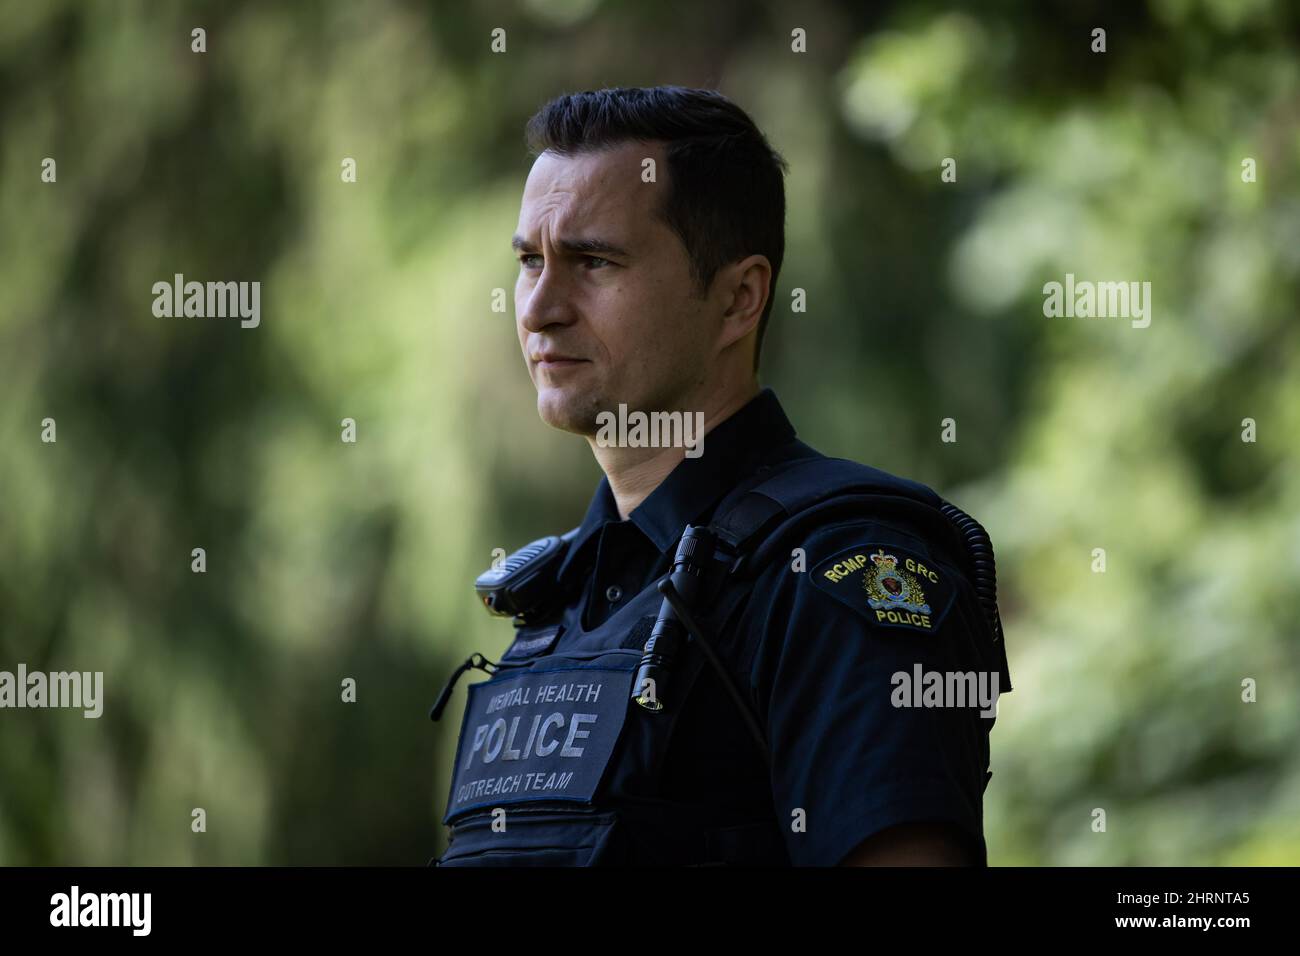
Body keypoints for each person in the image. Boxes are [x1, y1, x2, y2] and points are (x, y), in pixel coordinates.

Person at [431, 86, 1012, 867]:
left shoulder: (837, 572)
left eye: (593, 261)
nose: (539, 308)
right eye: (530, 261)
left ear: (740, 299)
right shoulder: (559, 600)